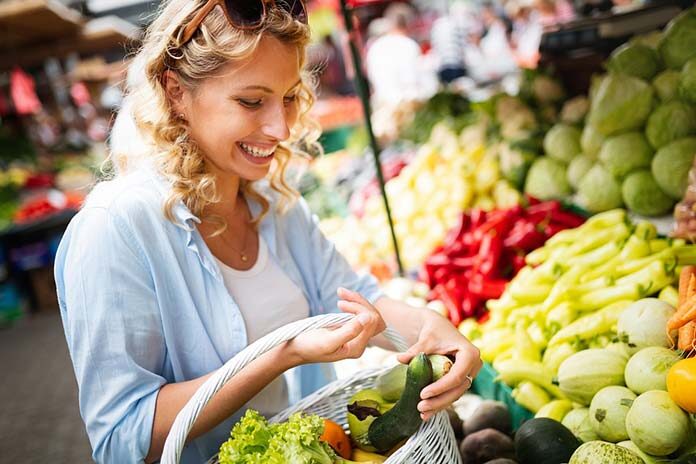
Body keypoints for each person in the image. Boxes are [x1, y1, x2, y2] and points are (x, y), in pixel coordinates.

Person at [54, 0, 482, 462]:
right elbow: (122, 435)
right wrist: (283, 353)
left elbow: (355, 299)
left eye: (290, 97)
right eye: (252, 101)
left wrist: (433, 328)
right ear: (176, 92)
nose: (280, 128)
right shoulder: (115, 230)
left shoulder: (273, 204)